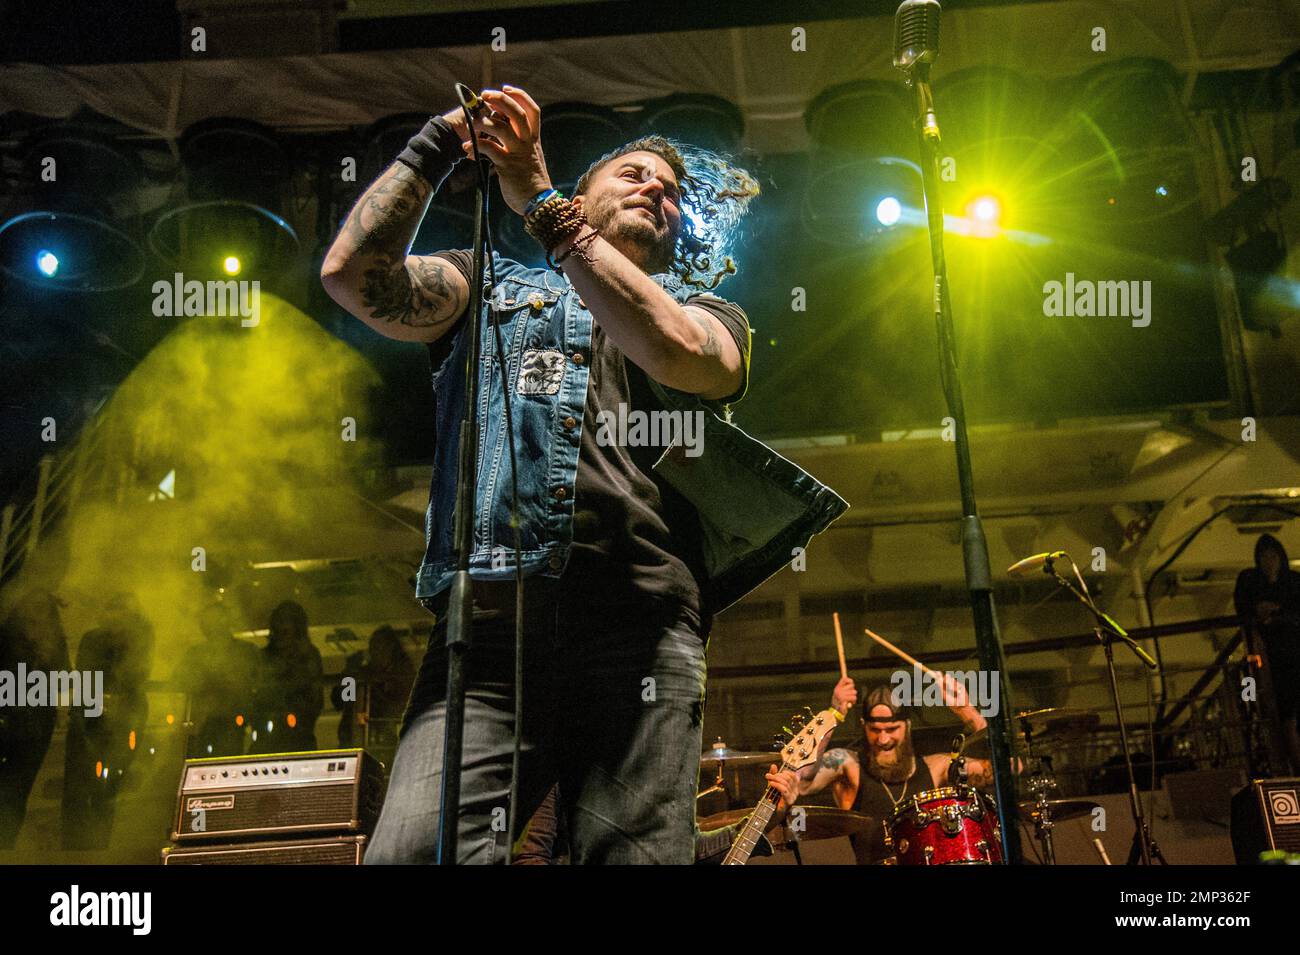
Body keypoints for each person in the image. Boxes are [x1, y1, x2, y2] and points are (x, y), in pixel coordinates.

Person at [321, 84, 847, 864]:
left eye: (669, 193)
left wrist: (540, 201)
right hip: (492, 622)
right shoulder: (487, 286)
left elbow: (680, 351)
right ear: (585, 193)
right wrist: (433, 150)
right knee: (406, 853)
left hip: (638, 623)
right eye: (633, 175)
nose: (656, 191)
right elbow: (352, 277)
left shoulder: (706, 311)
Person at [797, 676, 993, 864]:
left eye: (891, 729)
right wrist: (833, 714)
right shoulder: (848, 765)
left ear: (907, 726)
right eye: (875, 730)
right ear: (864, 726)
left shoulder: (936, 767)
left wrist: (968, 712)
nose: (883, 739)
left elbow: (1004, 770)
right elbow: (802, 781)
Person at [61, 594, 154, 850]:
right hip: (93, 714)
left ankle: (103, 843)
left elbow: (138, 674)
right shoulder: (93, 639)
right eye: (112, 610)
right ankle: (79, 846)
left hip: (121, 716)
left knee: (111, 782)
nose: (115, 617)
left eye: (121, 612)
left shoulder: (138, 639)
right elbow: (85, 675)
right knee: (82, 784)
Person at [0, 589, 70, 848]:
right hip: (28, 718)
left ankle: (5, 844)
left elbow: (62, 676)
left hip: (30, 719)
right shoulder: (17, 634)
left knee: (15, 791)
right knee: (15, 791)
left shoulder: (15, 628)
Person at [1235, 533, 1300, 773]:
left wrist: (1276, 610)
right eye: (1264, 557)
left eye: (1272, 556)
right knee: (1285, 714)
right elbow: (1242, 609)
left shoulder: (1293, 582)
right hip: (1274, 660)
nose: (1269, 561)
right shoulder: (1251, 582)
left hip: (1290, 654)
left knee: (1289, 714)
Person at [176, 600, 261, 758]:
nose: (212, 626)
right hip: (204, 725)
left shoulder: (246, 652)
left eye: (215, 620)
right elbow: (179, 682)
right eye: (208, 621)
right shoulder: (196, 654)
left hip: (234, 723)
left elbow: (260, 684)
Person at [250, 601, 323, 754]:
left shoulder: (309, 654)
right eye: (279, 621)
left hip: (298, 733)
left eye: (287, 620)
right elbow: (256, 689)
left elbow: (315, 694)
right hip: (266, 733)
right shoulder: (264, 656)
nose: (282, 626)